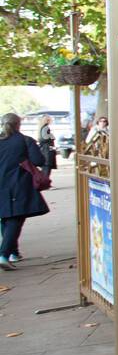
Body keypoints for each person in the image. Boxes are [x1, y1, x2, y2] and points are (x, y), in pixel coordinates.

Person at [0, 113, 51, 269]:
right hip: (19, 183)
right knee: (16, 217)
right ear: (18, 124)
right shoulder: (24, 140)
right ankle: (4, 254)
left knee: (6, 217)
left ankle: (13, 252)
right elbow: (38, 160)